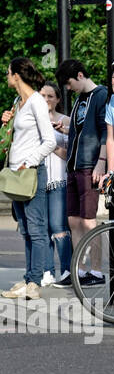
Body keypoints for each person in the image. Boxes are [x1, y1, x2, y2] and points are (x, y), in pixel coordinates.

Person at [1, 60, 59, 300]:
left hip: (31, 172)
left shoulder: (36, 101)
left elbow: (50, 141)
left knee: (36, 229)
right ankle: (29, 278)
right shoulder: (18, 102)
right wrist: (7, 122)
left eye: (8, 73)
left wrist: (30, 161)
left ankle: (34, 282)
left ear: (16, 76)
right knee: (25, 229)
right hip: (16, 174)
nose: (6, 76)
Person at [55, 59, 109, 284]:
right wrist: (67, 129)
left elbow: (106, 130)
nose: (68, 89)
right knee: (73, 220)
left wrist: (101, 162)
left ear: (79, 75)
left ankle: (96, 271)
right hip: (74, 165)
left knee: (89, 220)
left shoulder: (101, 95)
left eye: (68, 83)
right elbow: (83, 128)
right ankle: (80, 269)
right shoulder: (79, 100)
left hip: (89, 165)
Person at [37, 82, 72, 283]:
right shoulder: (35, 120)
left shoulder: (65, 121)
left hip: (59, 179)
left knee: (58, 225)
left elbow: (71, 154)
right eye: (43, 96)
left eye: (50, 96)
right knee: (43, 227)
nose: (47, 100)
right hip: (40, 181)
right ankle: (47, 271)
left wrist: (52, 147)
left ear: (58, 99)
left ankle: (67, 270)